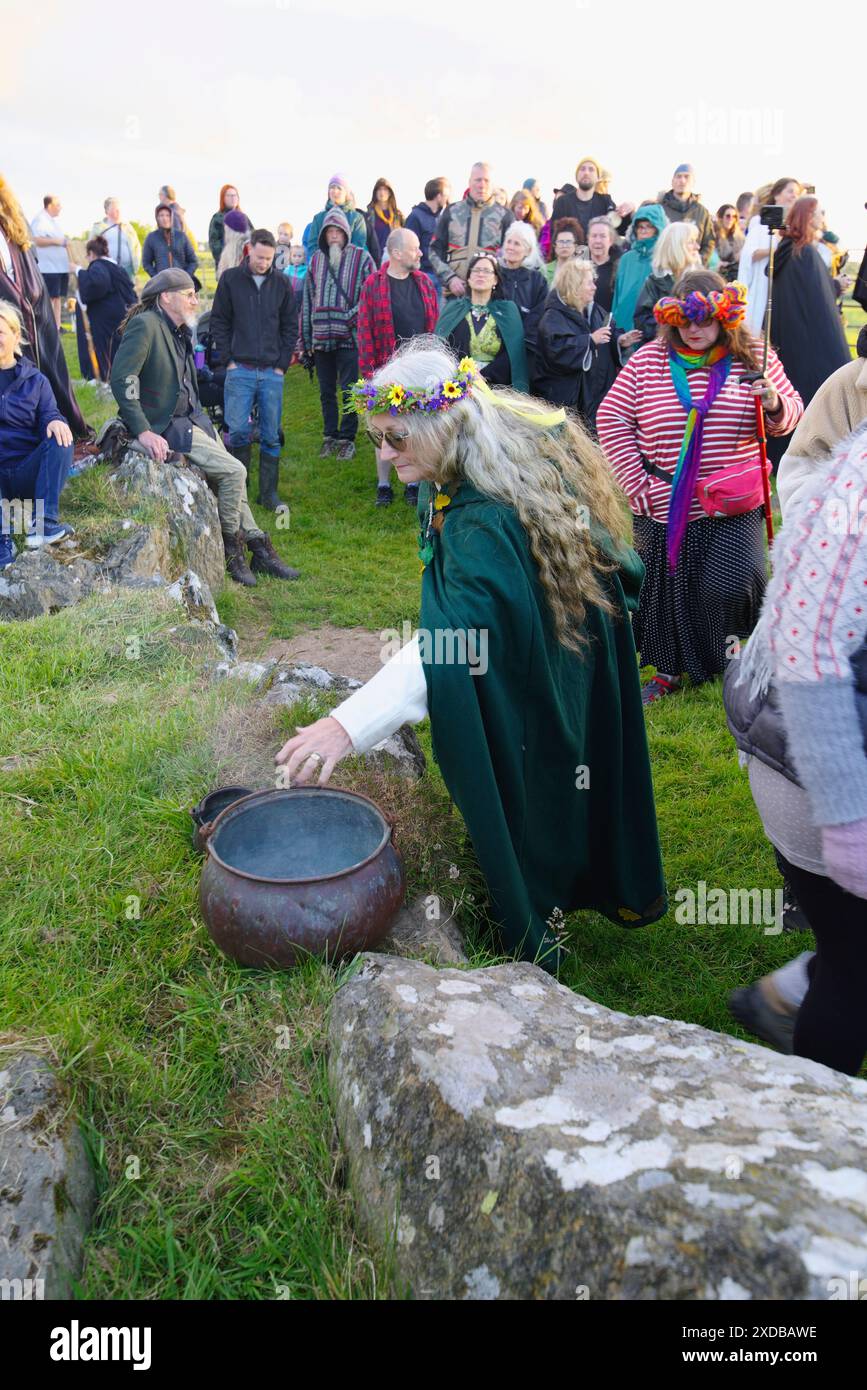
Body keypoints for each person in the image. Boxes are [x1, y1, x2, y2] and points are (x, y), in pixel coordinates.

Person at [275, 341, 667, 969]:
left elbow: (455, 647)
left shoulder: (484, 523)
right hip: (553, 636)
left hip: (552, 653)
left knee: (540, 772)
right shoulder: (479, 448)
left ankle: (536, 908)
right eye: (377, 438)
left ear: (441, 425)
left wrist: (345, 725)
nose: (383, 454)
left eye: (395, 439)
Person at [723, 419, 867, 1077]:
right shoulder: (860, 478)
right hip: (817, 767)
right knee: (855, 972)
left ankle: (791, 992)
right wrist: (847, 818)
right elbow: (807, 639)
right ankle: (814, 1143)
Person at [596, 271, 802, 705]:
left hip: (731, 501)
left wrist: (772, 403)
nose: (694, 329)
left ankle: (731, 660)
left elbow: (790, 415)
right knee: (665, 588)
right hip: (662, 500)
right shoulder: (648, 360)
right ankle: (669, 670)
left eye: (704, 320)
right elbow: (611, 418)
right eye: (685, 322)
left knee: (728, 585)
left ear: (724, 319)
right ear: (671, 321)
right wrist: (638, 485)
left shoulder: (754, 356)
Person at [109, 268, 298, 587]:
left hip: (192, 418)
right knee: (236, 472)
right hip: (166, 424)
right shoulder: (147, 325)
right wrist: (143, 430)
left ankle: (258, 547)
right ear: (167, 297)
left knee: (233, 474)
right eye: (189, 294)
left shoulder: (177, 328)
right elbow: (122, 378)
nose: (196, 301)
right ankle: (233, 552)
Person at [209, 229, 298, 510]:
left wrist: (282, 365)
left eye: (269, 258)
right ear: (249, 250)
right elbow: (219, 321)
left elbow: (289, 326)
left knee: (271, 435)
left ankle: (268, 494)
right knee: (237, 432)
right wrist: (228, 360)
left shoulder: (282, 283)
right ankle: (240, 492)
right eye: (260, 257)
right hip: (240, 370)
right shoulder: (231, 280)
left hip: (272, 372)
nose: (264, 263)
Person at [0, 172, 87, 438]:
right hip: (7, 311)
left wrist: (31, 294)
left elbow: (29, 258)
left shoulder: (13, 220)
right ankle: (28, 433)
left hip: (33, 304)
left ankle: (64, 425)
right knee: (16, 372)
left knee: (50, 364)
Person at [356, 227, 439, 507]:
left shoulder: (424, 283)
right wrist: (370, 377)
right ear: (396, 253)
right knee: (384, 428)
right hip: (384, 370)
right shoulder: (373, 284)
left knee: (413, 426)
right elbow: (364, 329)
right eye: (415, 248)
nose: (420, 253)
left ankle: (414, 483)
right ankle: (383, 485)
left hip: (419, 371)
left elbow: (435, 327)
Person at [0, 301, 74, 569]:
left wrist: (56, 421)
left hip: (25, 474)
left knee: (61, 436)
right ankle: (2, 543)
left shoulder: (36, 381)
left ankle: (43, 525)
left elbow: (49, 413)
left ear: (15, 335)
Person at [768, 195, 851, 427]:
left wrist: (831, 286)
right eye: (819, 213)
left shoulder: (788, 250)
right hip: (811, 345)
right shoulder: (803, 253)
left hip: (793, 342)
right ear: (808, 216)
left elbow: (812, 295)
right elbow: (819, 303)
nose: (822, 217)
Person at [302, 208, 375, 460]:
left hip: (349, 337)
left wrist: (349, 319)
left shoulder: (362, 259)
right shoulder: (315, 261)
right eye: (329, 232)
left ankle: (347, 438)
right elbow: (307, 300)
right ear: (323, 235)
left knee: (349, 389)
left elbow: (369, 296)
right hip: (321, 337)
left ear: (346, 233)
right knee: (325, 391)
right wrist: (307, 338)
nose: (334, 236)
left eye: (338, 231)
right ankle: (329, 435)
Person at [535, 259, 616, 432]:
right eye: (589, 283)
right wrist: (590, 340)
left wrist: (621, 340)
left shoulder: (592, 309)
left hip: (591, 397)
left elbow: (609, 332)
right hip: (564, 402)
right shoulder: (553, 317)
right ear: (574, 286)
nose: (595, 287)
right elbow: (558, 350)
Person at [435, 253, 528, 391]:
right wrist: (464, 375)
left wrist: (484, 376)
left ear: (495, 279)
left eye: (486, 271)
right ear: (469, 278)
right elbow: (441, 348)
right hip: (456, 386)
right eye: (476, 270)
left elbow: (513, 355)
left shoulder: (508, 310)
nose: (481, 274)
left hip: (497, 388)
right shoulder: (453, 308)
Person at [428, 163, 514, 300]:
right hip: (454, 296)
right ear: (469, 182)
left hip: (490, 298)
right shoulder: (452, 212)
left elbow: (511, 258)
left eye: (486, 180)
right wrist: (450, 279)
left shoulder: (505, 216)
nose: (482, 185)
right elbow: (434, 251)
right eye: (478, 180)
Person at [737, 177, 802, 334]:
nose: (794, 196)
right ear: (777, 194)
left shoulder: (796, 226)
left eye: (797, 193)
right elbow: (749, 255)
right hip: (763, 284)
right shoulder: (760, 222)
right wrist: (777, 251)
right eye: (790, 191)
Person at [75, 235, 137, 381]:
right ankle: (117, 375)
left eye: (87, 256)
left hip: (105, 316)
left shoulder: (98, 265)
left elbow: (97, 284)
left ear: (91, 254)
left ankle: (102, 376)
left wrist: (79, 272)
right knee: (116, 347)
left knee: (104, 348)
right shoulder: (116, 267)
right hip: (121, 313)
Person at [631, 222, 701, 350]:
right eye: (691, 242)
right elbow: (642, 322)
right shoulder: (654, 281)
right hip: (664, 353)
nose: (697, 246)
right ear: (676, 246)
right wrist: (674, 323)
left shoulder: (700, 279)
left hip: (697, 353)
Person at [609, 203, 666, 353]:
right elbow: (618, 295)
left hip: (651, 327)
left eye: (649, 226)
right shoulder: (626, 259)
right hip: (625, 326)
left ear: (658, 227)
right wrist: (615, 327)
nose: (644, 230)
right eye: (640, 227)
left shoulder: (663, 257)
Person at [498, 222, 548, 385]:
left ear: (527, 250)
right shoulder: (494, 273)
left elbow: (538, 319)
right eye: (509, 242)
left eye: (517, 243)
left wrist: (517, 346)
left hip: (523, 352)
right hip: (493, 347)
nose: (510, 247)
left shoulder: (537, 281)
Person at [551, 158, 634, 240]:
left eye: (591, 169)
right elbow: (554, 234)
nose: (586, 173)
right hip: (572, 252)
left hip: (598, 252)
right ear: (576, 176)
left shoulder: (605, 202)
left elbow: (621, 228)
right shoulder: (563, 202)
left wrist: (630, 210)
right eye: (582, 169)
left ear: (598, 177)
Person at [658, 164, 715, 264]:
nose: (682, 181)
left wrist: (700, 261)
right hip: (666, 267)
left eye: (686, 177)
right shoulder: (660, 209)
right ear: (672, 181)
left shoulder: (702, 212)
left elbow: (709, 241)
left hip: (692, 269)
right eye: (679, 176)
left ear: (693, 182)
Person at [303, 175, 368, 261]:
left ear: (346, 193)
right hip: (323, 266)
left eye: (339, 188)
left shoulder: (357, 218)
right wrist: (320, 264)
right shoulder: (318, 218)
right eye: (332, 187)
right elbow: (312, 246)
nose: (335, 191)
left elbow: (359, 245)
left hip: (349, 266)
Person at [30, 195, 69, 329]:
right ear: (50, 205)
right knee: (50, 299)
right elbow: (35, 240)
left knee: (57, 298)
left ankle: (57, 327)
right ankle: (49, 327)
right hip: (49, 268)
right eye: (58, 205)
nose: (60, 208)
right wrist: (56, 241)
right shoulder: (40, 220)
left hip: (59, 268)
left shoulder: (52, 221)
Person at [404, 178, 451, 282]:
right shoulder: (415, 217)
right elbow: (408, 247)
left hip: (440, 274)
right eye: (446, 196)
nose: (447, 199)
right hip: (423, 274)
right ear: (438, 196)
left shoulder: (441, 217)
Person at [142, 206, 199, 280]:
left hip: (182, 282)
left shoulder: (181, 236)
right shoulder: (151, 238)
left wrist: (186, 276)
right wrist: (156, 277)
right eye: (161, 215)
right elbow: (146, 263)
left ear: (171, 217)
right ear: (157, 218)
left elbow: (193, 261)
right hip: (162, 283)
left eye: (167, 215)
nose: (164, 218)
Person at [90, 198, 142, 278]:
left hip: (127, 270)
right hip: (106, 270)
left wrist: (136, 266)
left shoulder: (128, 228)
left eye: (118, 208)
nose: (118, 211)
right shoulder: (98, 228)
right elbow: (91, 248)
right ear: (107, 211)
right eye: (114, 208)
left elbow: (136, 247)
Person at [208, 185, 252, 271]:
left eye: (235, 195)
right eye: (229, 195)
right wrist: (228, 258)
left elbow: (253, 237)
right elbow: (214, 244)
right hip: (227, 266)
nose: (233, 198)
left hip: (245, 266)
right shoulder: (217, 219)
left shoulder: (244, 218)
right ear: (223, 198)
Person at [364, 178, 404, 268]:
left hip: (394, 259)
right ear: (375, 193)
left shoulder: (397, 215)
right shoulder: (369, 215)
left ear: (390, 193)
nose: (382, 192)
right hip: (376, 259)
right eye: (379, 189)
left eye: (385, 189)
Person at [586, 216, 620, 314]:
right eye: (594, 236)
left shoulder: (620, 266)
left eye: (602, 236)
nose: (598, 241)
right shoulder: (578, 265)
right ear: (588, 239)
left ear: (611, 240)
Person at [544, 217, 585, 286]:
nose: (564, 245)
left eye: (568, 242)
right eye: (561, 241)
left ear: (576, 245)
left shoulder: (583, 270)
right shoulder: (544, 270)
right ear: (554, 245)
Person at [714, 204, 744, 282]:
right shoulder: (714, 234)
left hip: (735, 275)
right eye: (728, 216)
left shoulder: (739, 237)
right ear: (721, 217)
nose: (731, 219)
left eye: (734, 216)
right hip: (718, 275)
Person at [216, 210, 250, 279]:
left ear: (230, 229)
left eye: (226, 226)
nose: (224, 229)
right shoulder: (231, 247)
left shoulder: (245, 248)